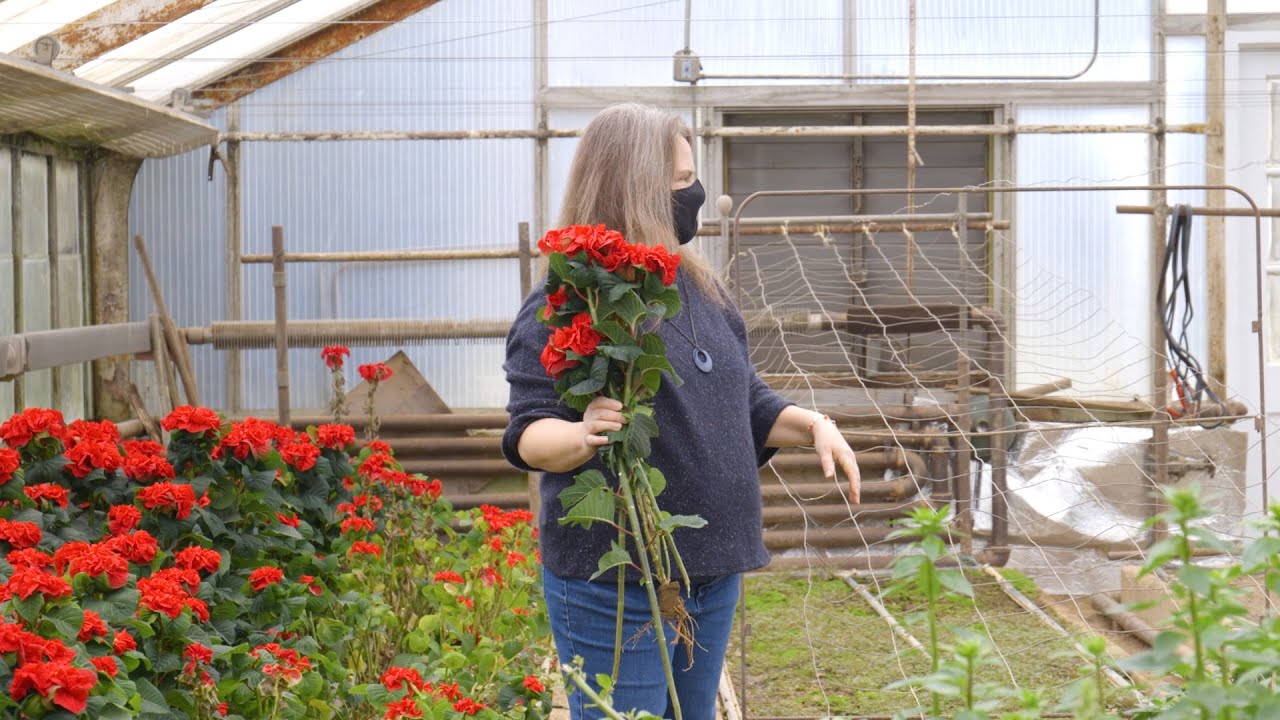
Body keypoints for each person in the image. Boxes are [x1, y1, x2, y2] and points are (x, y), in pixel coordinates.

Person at [502, 103, 861, 720]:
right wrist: (582, 434)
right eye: (680, 181)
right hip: (616, 583)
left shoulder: (695, 287)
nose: (693, 194)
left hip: (709, 572)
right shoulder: (571, 302)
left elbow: (743, 400)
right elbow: (529, 433)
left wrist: (813, 425)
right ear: (634, 188)